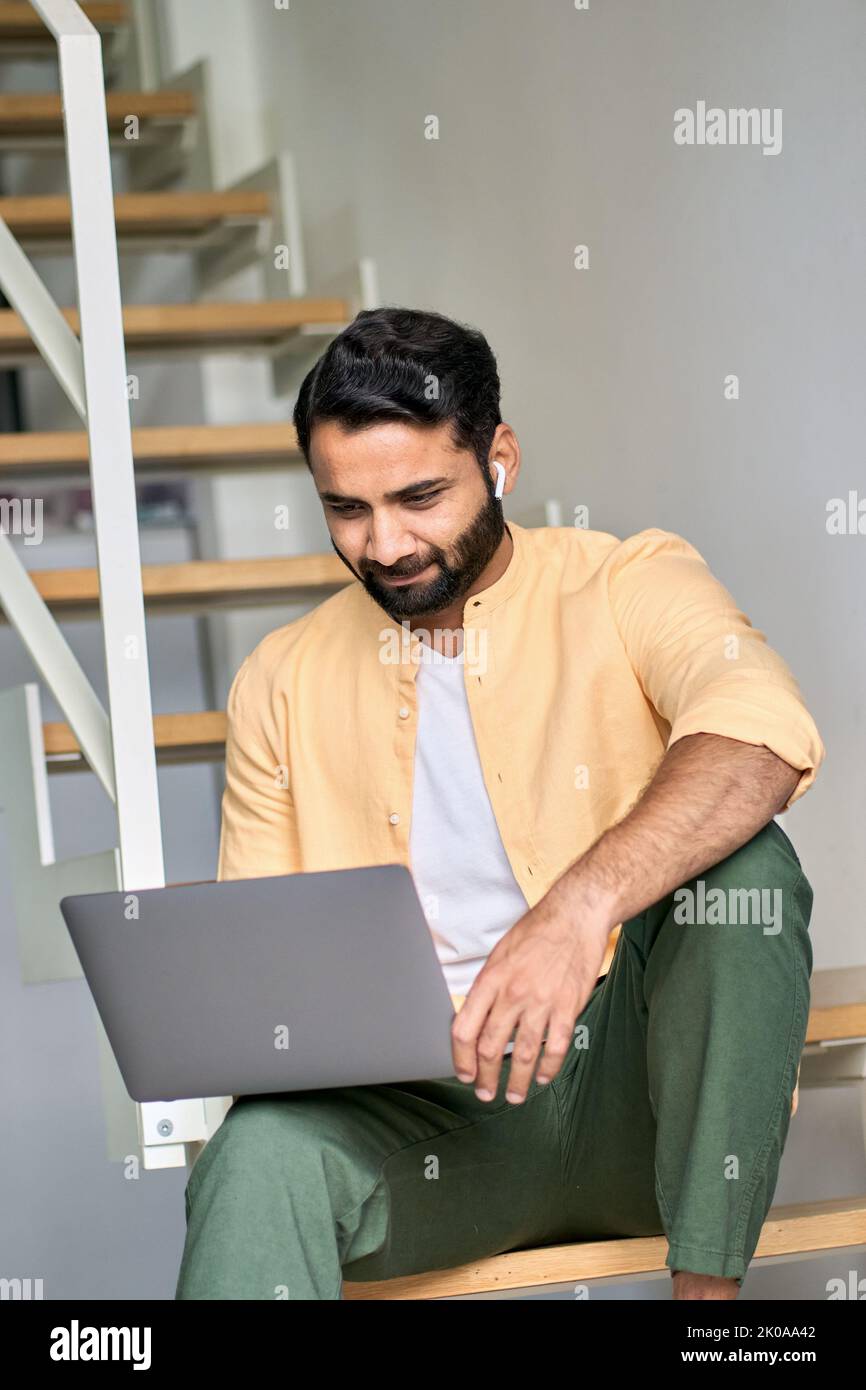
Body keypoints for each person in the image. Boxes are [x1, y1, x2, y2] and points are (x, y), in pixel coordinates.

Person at [176, 307, 823, 1301]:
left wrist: (574, 912)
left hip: (635, 1099)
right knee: (256, 1150)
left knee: (745, 869)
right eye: (345, 508)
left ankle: (709, 1313)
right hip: (438, 1134)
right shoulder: (281, 677)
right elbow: (268, 973)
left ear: (500, 457)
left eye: (420, 495)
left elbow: (760, 733)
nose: (385, 543)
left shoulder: (627, 577)